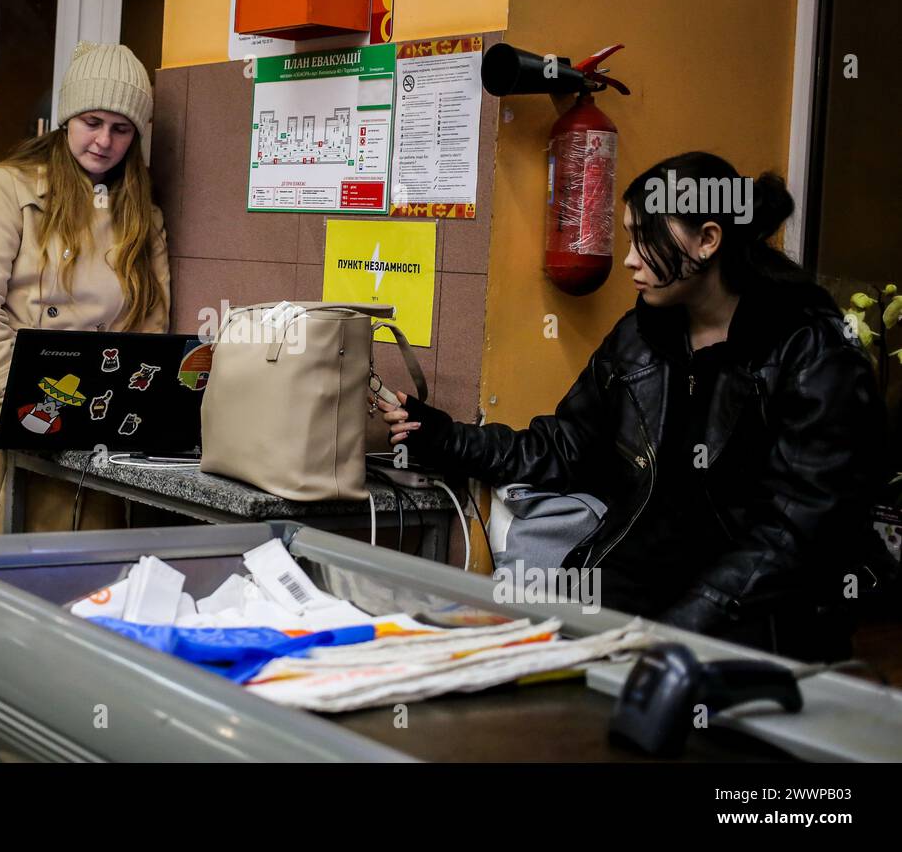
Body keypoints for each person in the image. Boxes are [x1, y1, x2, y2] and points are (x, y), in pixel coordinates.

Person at [379, 151, 887, 661]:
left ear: (708, 240)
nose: (630, 259)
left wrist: (674, 633)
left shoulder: (813, 354)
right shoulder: (641, 338)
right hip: (628, 617)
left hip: (752, 639)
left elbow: (797, 531)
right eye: (629, 238)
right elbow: (563, 447)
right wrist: (443, 437)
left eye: (646, 237)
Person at [0, 41, 170, 534]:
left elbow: (151, 328)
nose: (103, 141)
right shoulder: (11, 186)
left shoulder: (144, 215)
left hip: (92, 431)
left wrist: (128, 415)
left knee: (68, 585)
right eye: (92, 122)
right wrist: (15, 401)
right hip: (1, 416)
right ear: (67, 119)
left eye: (120, 128)